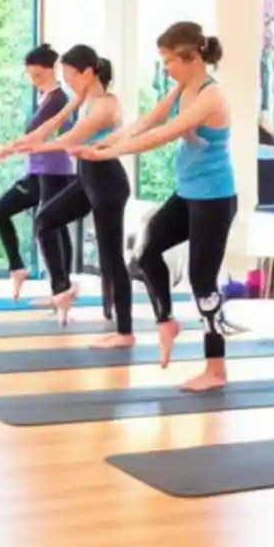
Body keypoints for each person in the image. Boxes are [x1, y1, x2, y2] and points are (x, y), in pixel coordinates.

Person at [74, 21, 236, 392]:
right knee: (145, 252)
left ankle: (216, 367)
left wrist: (110, 152)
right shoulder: (185, 87)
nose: (166, 69)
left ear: (191, 56)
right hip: (188, 193)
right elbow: (149, 121)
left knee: (202, 281)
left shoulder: (211, 96)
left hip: (215, 199)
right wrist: (102, 145)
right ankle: (166, 321)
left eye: (168, 61)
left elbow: (164, 134)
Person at [11, 45, 135, 348]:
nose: (66, 83)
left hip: (108, 183)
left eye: (69, 76)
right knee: (46, 219)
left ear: (88, 73)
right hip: (86, 179)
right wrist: (23, 141)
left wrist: (37, 147)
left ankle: (125, 332)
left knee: (111, 257)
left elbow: (71, 138)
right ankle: (63, 288)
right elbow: (54, 125)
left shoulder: (108, 105)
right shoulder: (83, 99)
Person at [0, 44, 77, 303]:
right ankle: (50, 284)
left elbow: (33, 138)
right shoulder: (47, 100)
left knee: (46, 225)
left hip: (52, 174)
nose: (34, 81)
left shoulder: (59, 101)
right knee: (47, 225)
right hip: (40, 172)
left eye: (38, 75)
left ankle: (60, 289)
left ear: (53, 70)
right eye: (31, 76)